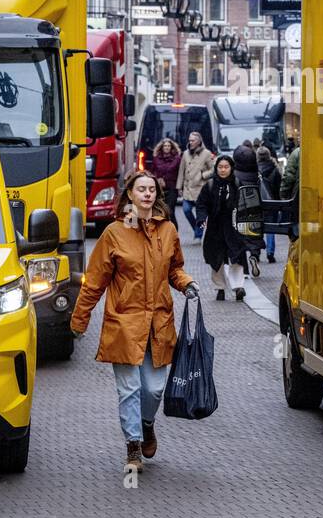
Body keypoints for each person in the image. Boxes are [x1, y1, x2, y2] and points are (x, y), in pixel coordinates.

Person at [71, 169, 200, 473]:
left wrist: (186, 284)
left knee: (154, 389)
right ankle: (133, 447)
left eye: (151, 190)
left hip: (159, 322)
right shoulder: (114, 233)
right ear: (129, 194)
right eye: (141, 189)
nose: (147, 194)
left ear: (157, 194)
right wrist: (80, 319)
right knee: (129, 389)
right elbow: (94, 281)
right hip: (124, 323)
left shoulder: (168, 229)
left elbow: (174, 269)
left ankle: (146, 423)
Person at [196, 154, 249, 301]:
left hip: (233, 227)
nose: (223, 170)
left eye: (226, 167)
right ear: (216, 168)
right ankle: (220, 288)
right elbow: (201, 204)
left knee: (237, 257)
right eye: (220, 167)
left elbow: (246, 205)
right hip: (215, 228)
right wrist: (202, 219)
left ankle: (238, 287)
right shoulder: (210, 185)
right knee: (216, 259)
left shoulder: (238, 184)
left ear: (231, 168)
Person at [175, 131, 215, 243]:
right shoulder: (185, 153)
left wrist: (203, 175)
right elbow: (181, 171)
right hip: (188, 189)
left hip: (200, 189)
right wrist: (179, 187)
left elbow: (213, 169)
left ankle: (198, 235)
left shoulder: (207, 153)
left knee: (200, 214)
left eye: (193, 140)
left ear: (199, 141)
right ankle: (197, 230)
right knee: (186, 210)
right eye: (190, 140)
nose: (190, 142)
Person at [232, 142, 264, 277]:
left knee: (240, 239)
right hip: (255, 210)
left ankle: (244, 269)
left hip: (239, 210)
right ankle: (254, 256)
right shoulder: (256, 173)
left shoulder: (234, 175)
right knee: (254, 236)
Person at [147, 137, 182, 227]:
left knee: (170, 211)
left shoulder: (177, 159)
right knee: (159, 211)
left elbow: (180, 173)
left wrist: (180, 187)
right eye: (165, 146)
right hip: (160, 188)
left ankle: (174, 231)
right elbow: (152, 172)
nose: (167, 147)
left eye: (168, 146)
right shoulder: (156, 158)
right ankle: (162, 231)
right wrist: (157, 179)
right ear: (162, 147)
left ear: (171, 147)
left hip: (172, 187)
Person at [256, 146, 282, 263]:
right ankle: (270, 252)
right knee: (270, 228)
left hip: (258, 203)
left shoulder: (255, 170)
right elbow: (279, 188)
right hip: (272, 203)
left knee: (257, 227)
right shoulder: (275, 170)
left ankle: (256, 251)